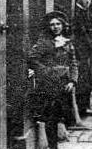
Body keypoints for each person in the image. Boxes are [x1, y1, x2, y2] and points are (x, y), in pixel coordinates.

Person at [27, 11, 79, 149]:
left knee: (62, 116)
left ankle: (58, 140)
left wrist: (72, 81)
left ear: (63, 25)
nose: (55, 27)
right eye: (52, 25)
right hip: (48, 84)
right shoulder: (43, 42)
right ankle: (52, 145)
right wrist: (47, 71)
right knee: (50, 117)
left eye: (58, 24)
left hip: (64, 84)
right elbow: (33, 59)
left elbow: (73, 63)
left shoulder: (67, 42)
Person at [70, 0, 92, 115]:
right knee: (83, 80)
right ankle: (82, 108)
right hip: (80, 52)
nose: (87, 1)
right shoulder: (77, 14)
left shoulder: (87, 12)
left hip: (87, 51)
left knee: (87, 79)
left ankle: (85, 105)